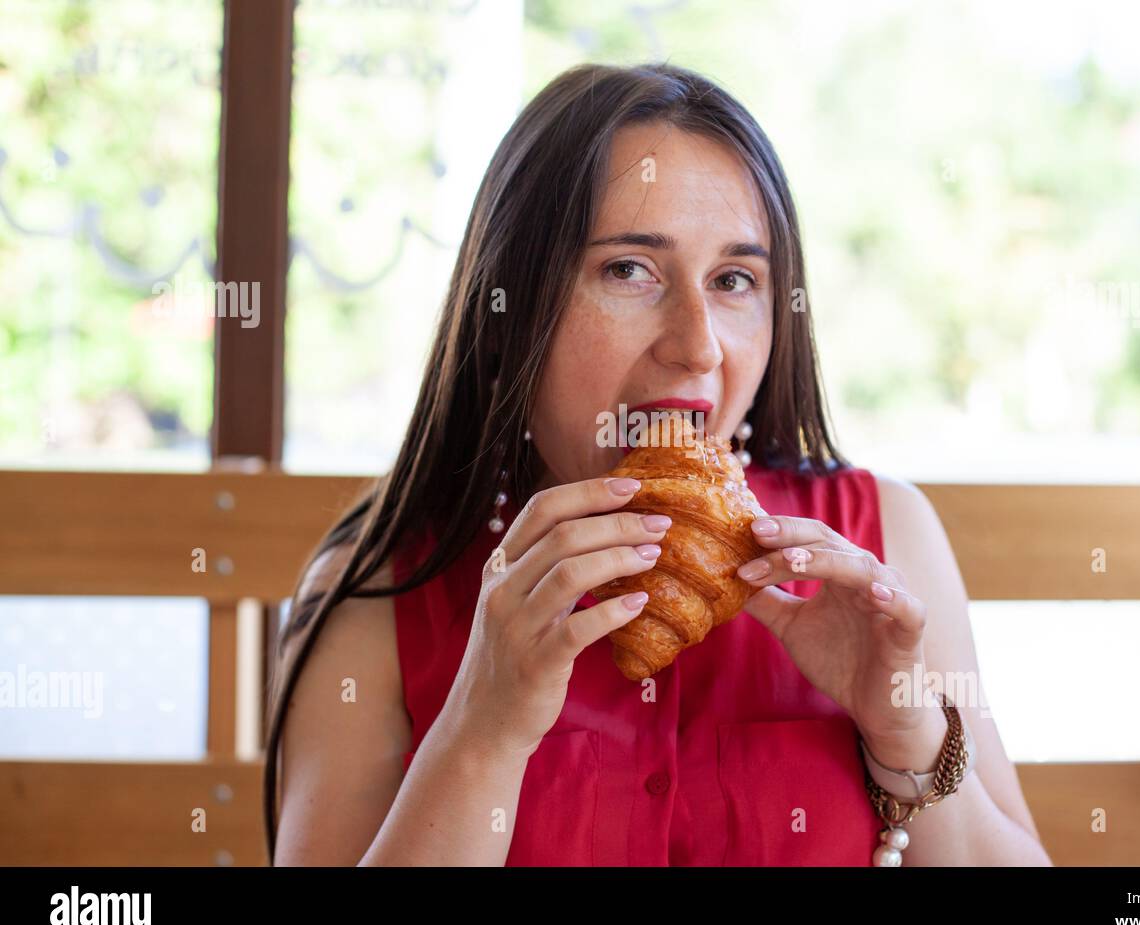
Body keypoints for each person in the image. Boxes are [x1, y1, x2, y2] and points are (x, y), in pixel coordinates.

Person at [264, 62, 1051, 867]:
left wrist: (905, 733)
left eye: (734, 280)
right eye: (629, 270)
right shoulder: (381, 590)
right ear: (505, 311)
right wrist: (482, 732)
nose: (699, 345)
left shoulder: (881, 544)